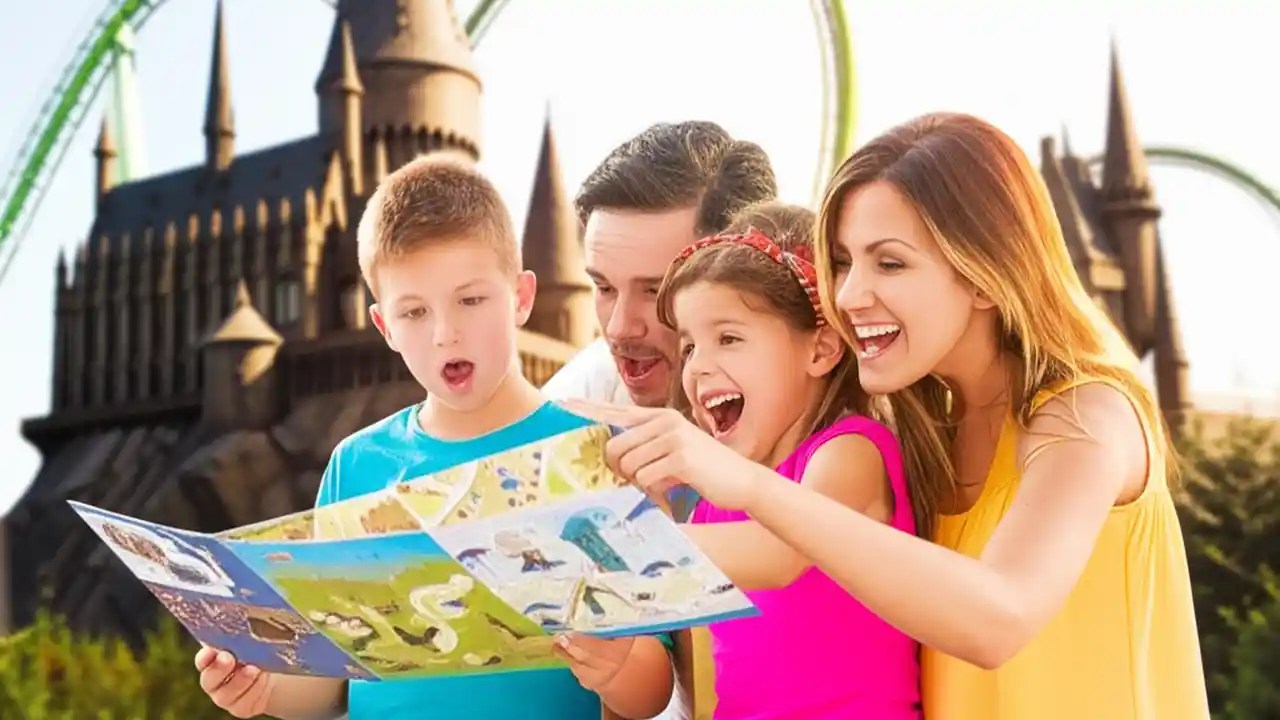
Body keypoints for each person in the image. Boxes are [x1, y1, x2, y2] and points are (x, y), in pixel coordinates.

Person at [563, 112, 1210, 719]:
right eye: (842, 262)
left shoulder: (1085, 417)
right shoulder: (933, 437)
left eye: (889, 262)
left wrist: (715, 497)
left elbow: (998, 617)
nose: (848, 294)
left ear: (985, 273)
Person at [193, 155, 676, 720]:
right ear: (385, 327)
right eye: (415, 312)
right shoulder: (356, 465)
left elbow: (656, 692)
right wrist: (262, 689)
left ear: (521, 298)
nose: (446, 334)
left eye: (470, 300)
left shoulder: (597, 453)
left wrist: (617, 663)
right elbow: (328, 682)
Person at [541, 120, 779, 720]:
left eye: (655, 291)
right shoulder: (581, 398)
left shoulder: (833, 421)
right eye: (601, 287)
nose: (620, 326)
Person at [658, 202, 921, 718]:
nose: (697, 367)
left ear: (821, 350)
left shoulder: (850, 452)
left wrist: (615, 537)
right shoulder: (713, 507)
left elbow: (780, 555)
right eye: (689, 347)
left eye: (728, 338)